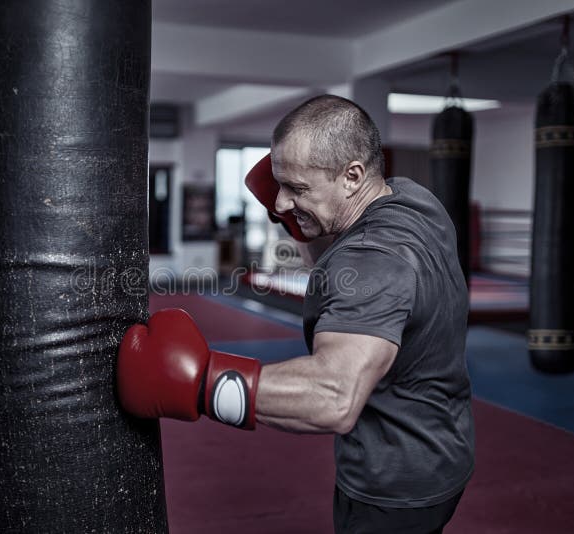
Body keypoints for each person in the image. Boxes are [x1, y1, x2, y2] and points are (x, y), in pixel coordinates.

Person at [117, 94, 474, 533]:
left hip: (393, 483)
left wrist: (202, 382)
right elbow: (335, 251)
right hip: (444, 447)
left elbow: (333, 397)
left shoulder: (371, 261)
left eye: (298, 189)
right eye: (281, 184)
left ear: (353, 176)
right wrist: (303, 218)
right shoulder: (412, 200)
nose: (281, 202)